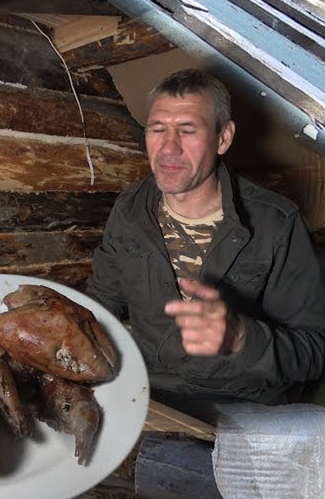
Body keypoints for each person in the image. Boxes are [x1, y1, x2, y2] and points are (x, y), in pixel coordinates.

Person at [85, 68, 325, 415]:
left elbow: (314, 352)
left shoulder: (276, 221)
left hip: (243, 401)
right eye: (157, 129)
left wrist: (241, 337)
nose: (168, 148)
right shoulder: (129, 208)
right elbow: (101, 301)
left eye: (187, 130)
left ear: (223, 138)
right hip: (150, 391)